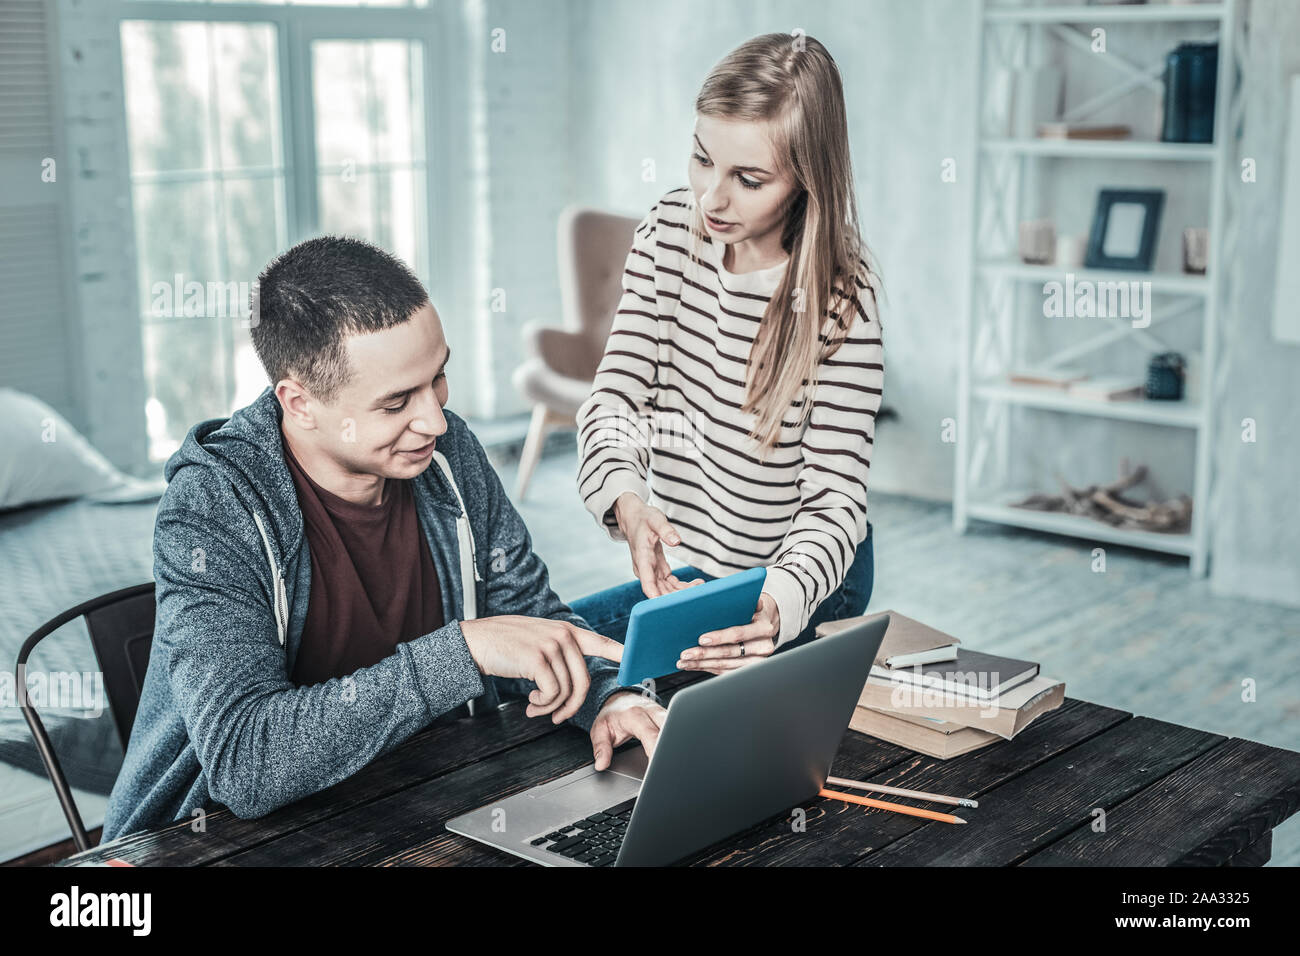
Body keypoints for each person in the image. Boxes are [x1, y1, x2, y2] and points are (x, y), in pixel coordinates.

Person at [102, 237, 664, 841]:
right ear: (301, 402)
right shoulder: (213, 509)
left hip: (418, 800)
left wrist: (608, 700)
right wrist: (464, 651)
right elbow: (246, 763)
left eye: (438, 377)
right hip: (214, 844)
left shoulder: (448, 455)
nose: (436, 421)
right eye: (396, 401)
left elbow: (529, 620)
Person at [572, 32, 885, 675]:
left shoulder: (841, 294)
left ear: (807, 178)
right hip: (708, 565)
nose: (711, 198)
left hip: (800, 579)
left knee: (663, 708)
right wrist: (626, 499)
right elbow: (617, 396)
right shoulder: (666, 233)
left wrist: (777, 604)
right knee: (554, 651)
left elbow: (833, 500)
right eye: (701, 158)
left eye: (748, 179)